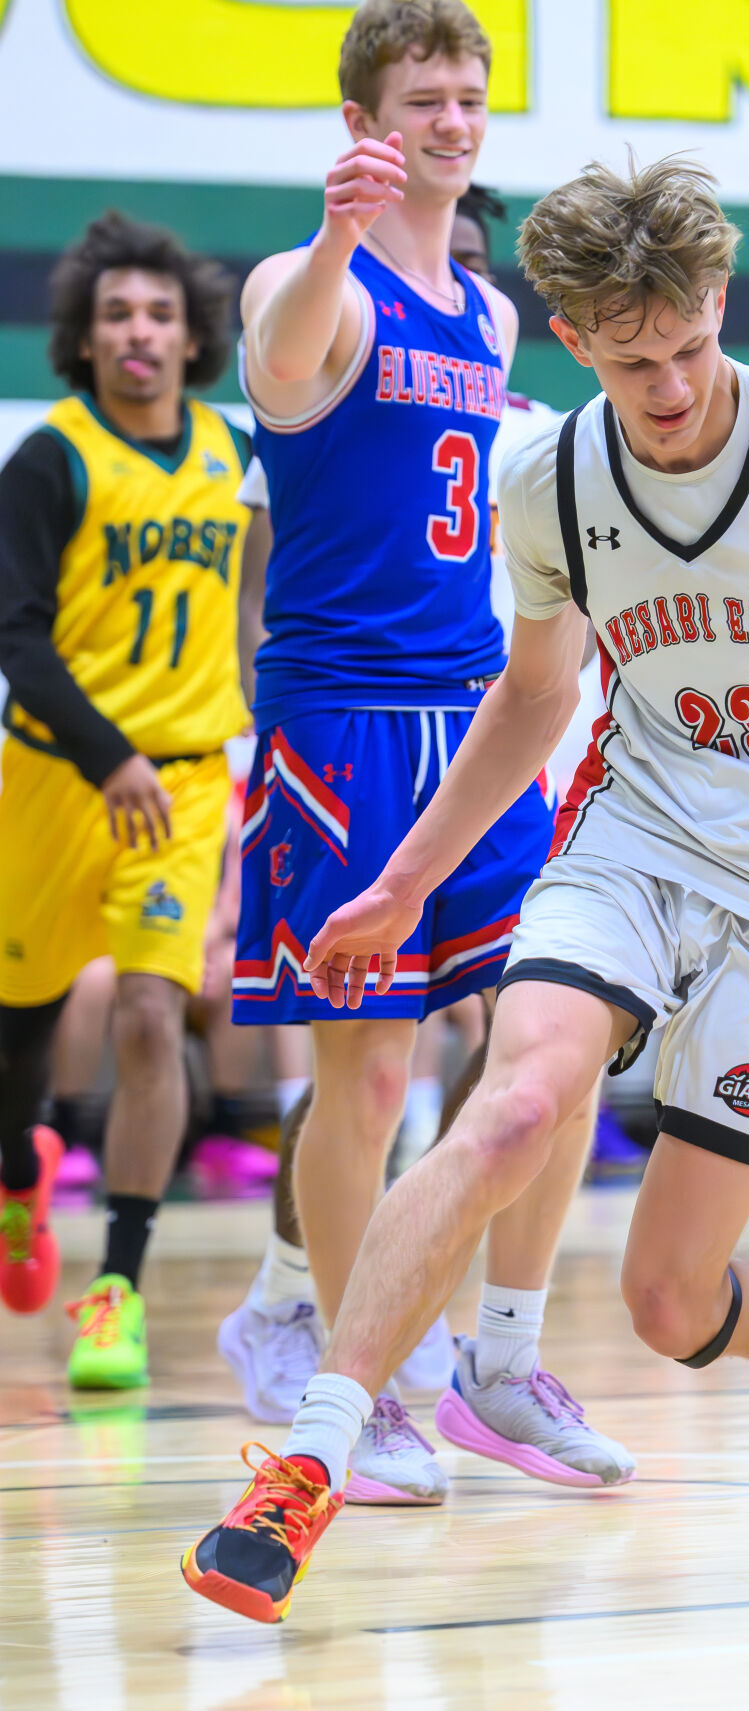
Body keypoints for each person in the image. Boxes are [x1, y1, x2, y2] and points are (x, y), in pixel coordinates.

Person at [183, 156, 749, 1623]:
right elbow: (532, 699)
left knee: (671, 1300)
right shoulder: (554, 476)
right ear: (574, 339)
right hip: (634, 836)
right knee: (512, 1105)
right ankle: (311, 1461)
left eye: (689, 349)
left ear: (722, 303)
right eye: (631, 359)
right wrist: (401, 884)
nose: (667, 388)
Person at [216, 0, 631, 1503]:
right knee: (371, 1071)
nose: (452, 119)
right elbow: (279, 369)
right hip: (339, 719)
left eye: (469, 94)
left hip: (479, 724)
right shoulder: (302, 278)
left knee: (560, 1046)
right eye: (421, 98)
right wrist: (335, 242)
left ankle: (498, 1363)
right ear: (364, 121)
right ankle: (352, 1370)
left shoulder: (489, 308)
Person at [0, 211, 264, 1385]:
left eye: (159, 312)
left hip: (188, 781)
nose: (140, 331)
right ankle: (19, 1172)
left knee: (153, 1014)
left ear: (192, 332)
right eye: (117, 315)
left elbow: (269, 610)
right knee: (17, 1032)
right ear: (87, 338)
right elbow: (16, 634)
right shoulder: (50, 458)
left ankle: (118, 1287)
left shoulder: (235, 453)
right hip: (58, 777)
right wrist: (108, 752)